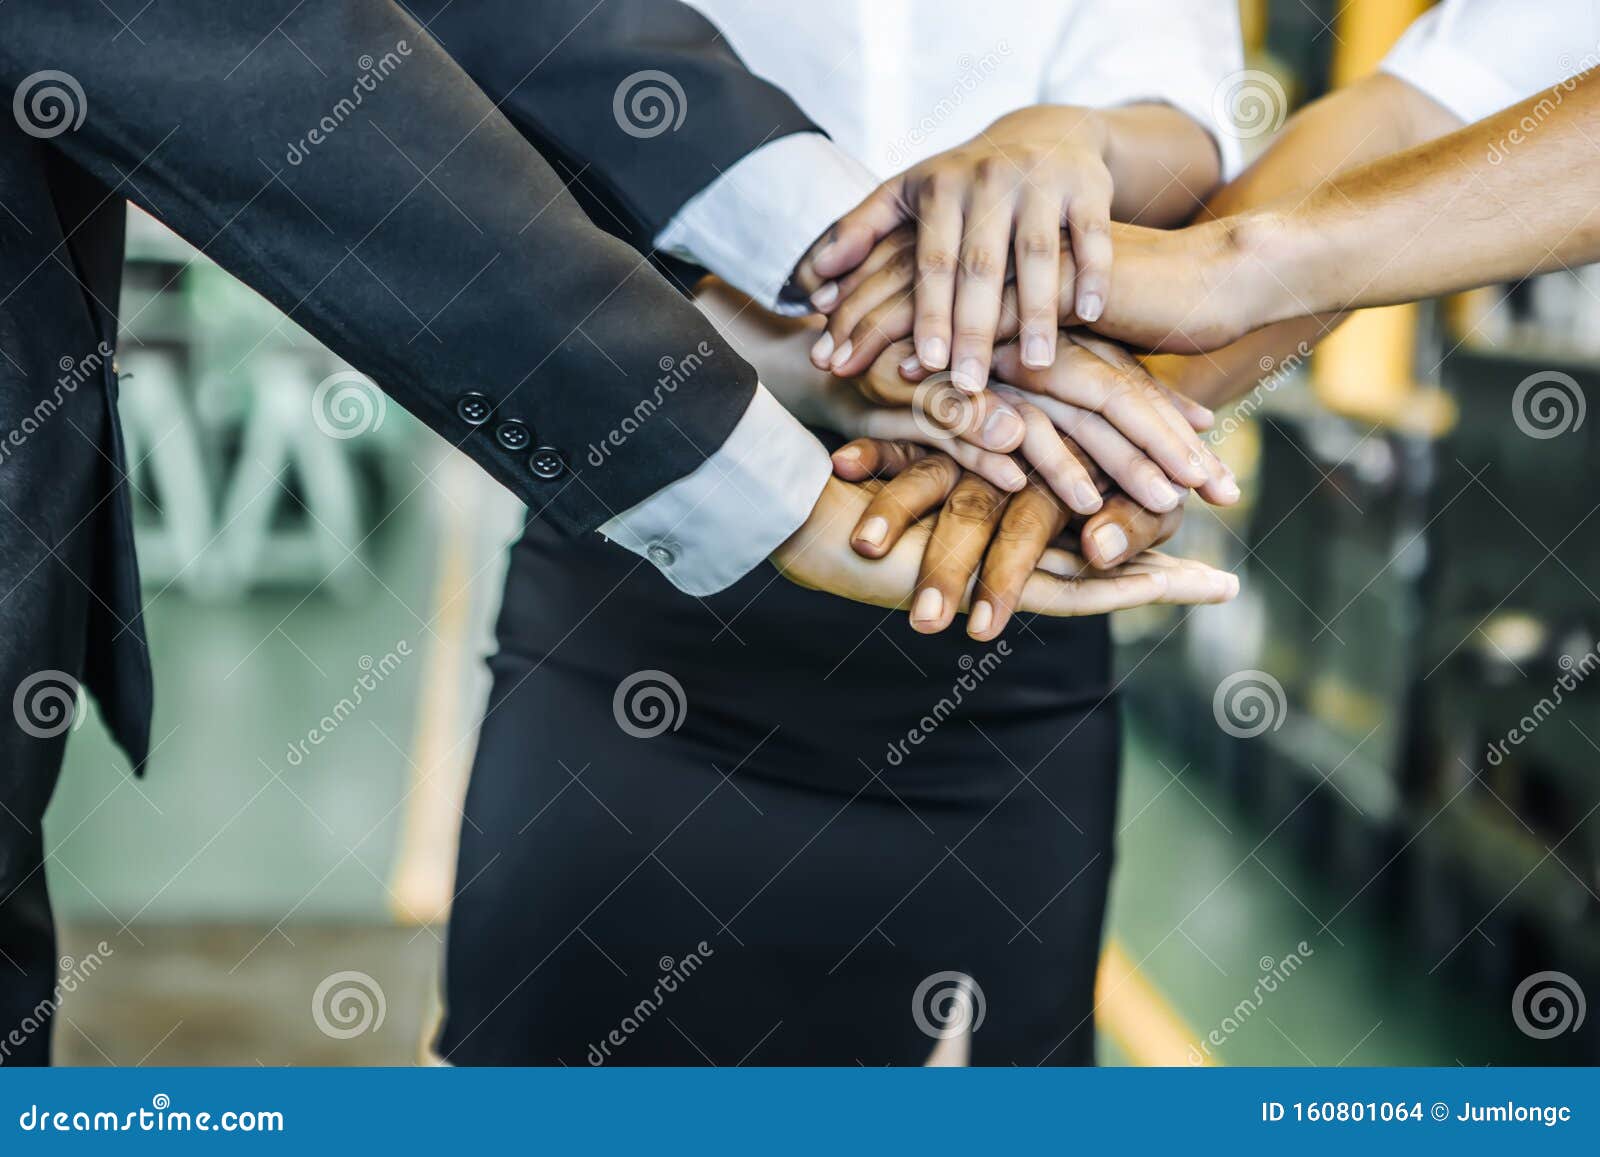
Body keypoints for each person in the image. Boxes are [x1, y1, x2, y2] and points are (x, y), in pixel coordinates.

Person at [0, 0, 1212, 1066]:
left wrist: (983, 207)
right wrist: (826, 347)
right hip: (658, 554)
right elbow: (310, 58)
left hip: (974, 608)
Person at [436, 0, 1245, 1066]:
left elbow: (1181, 126)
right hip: (650, 557)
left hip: (992, 604)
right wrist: (879, 335)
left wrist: (1073, 139)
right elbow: (516, 110)